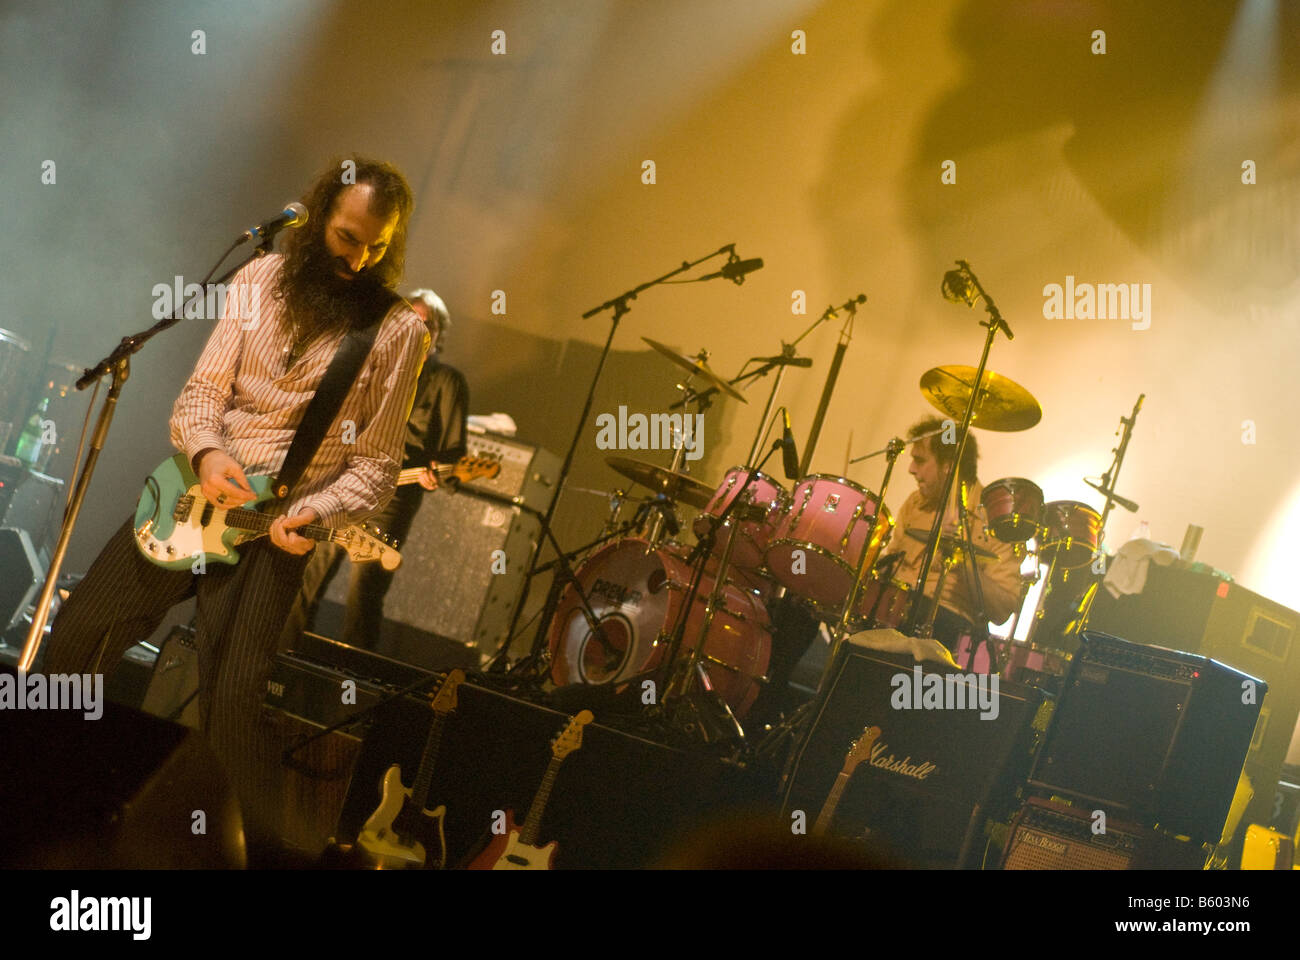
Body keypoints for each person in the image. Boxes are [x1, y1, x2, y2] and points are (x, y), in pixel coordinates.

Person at [41, 156, 430, 860]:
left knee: (231, 711)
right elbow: (200, 395)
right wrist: (209, 456)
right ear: (316, 220)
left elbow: (376, 464)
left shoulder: (399, 331)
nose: (360, 258)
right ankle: (40, 805)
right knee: (74, 644)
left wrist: (317, 511)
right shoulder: (256, 280)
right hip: (189, 497)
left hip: (276, 528)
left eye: (378, 246)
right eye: (347, 238)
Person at [282, 287, 469, 650]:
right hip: (344, 485)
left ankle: (354, 688)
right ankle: (280, 665)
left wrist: (437, 472)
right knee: (306, 580)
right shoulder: (375, 368)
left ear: (438, 334)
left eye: (424, 323)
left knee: (364, 592)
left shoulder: (448, 382)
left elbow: (455, 454)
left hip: (395, 495)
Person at [889, 416, 1022, 651]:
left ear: (948, 465)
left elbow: (1003, 611)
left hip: (946, 627)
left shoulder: (994, 520)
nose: (911, 469)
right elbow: (890, 564)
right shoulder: (915, 503)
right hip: (895, 608)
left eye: (920, 461)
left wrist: (963, 559)